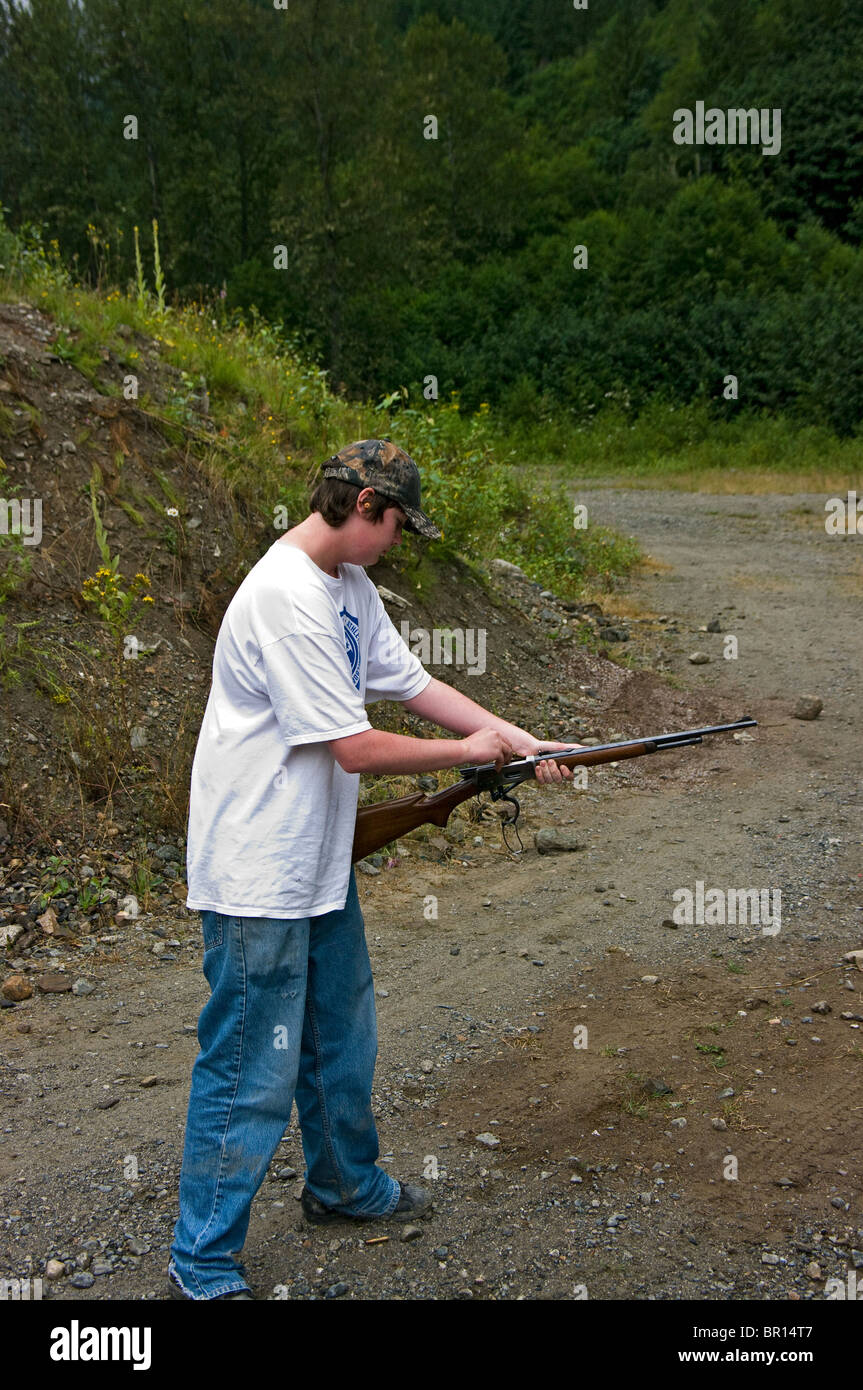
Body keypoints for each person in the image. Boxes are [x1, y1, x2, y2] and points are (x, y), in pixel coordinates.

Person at [168, 438, 576, 1299]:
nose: (397, 542)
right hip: (257, 873)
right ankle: (201, 1260)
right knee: (249, 1062)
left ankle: (345, 1188)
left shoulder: (346, 588)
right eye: (395, 525)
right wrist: (465, 751)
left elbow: (412, 682)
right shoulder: (284, 597)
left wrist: (517, 739)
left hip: (314, 862)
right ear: (362, 508)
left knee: (338, 1037)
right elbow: (351, 747)